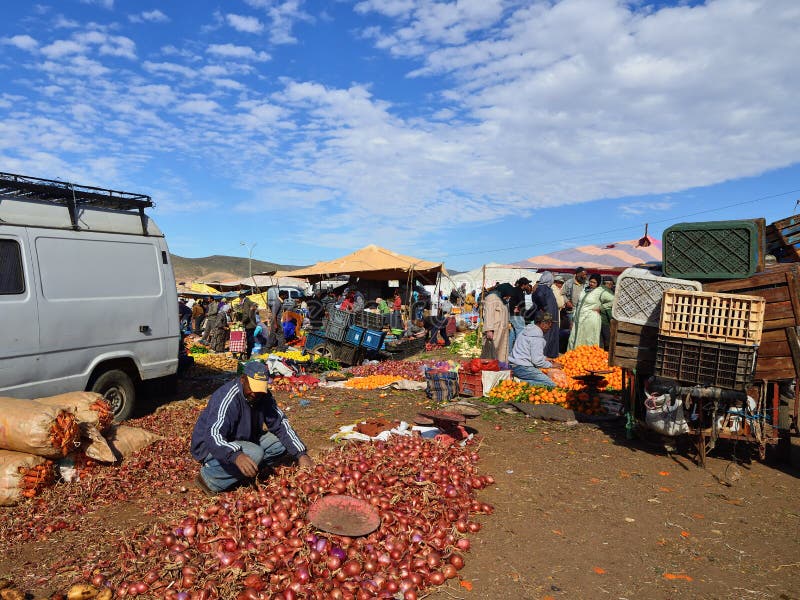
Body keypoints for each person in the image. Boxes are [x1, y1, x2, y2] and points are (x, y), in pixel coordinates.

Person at [191, 361, 313, 494]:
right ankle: (209, 478)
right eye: (252, 388)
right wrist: (236, 455)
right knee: (255, 453)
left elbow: (281, 425)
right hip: (211, 446)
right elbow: (213, 435)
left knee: (280, 443)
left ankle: (244, 471)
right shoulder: (227, 397)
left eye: (260, 390)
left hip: (244, 439)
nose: (255, 394)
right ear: (243, 379)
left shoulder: (263, 397)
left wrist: (301, 454)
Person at [508, 311, 563, 388]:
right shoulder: (537, 338)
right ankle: (519, 382)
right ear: (542, 324)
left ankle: (518, 379)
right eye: (549, 323)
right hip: (523, 367)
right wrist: (551, 365)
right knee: (551, 385)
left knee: (542, 379)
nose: (550, 326)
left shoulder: (526, 330)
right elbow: (537, 361)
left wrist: (545, 358)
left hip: (514, 365)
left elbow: (528, 352)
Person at [567, 273, 615, 350]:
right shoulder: (585, 290)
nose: (591, 284)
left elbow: (613, 300)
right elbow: (579, 304)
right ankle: (574, 356)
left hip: (590, 320)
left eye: (594, 282)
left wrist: (601, 307)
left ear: (598, 283)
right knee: (575, 338)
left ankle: (586, 358)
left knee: (587, 340)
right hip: (579, 319)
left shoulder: (600, 292)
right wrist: (573, 318)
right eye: (590, 281)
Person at [530, 272, 561, 358]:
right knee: (546, 335)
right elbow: (539, 296)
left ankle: (550, 355)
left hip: (549, 316)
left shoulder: (544, 288)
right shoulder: (542, 288)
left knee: (550, 335)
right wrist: (545, 306)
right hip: (546, 317)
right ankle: (543, 356)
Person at [482, 283, 513, 363]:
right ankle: (490, 368)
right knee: (492, 351)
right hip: (495, 330)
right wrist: (489, 329)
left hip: (502, 330)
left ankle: (500, 367)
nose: (508, 297)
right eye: (508, 295)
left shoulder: (501, 299)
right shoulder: (491, 298)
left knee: (501, 351)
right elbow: (489, 314)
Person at [509, 277, 534, 350]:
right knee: (520, 334)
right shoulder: (519, 291)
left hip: (512, 315)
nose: (528, 286)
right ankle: (518, 352)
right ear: (523, 284)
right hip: (517, 316)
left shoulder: (515, 290)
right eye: (527, 284)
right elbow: (521, 303)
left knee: (512, 334)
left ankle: (509, 351)